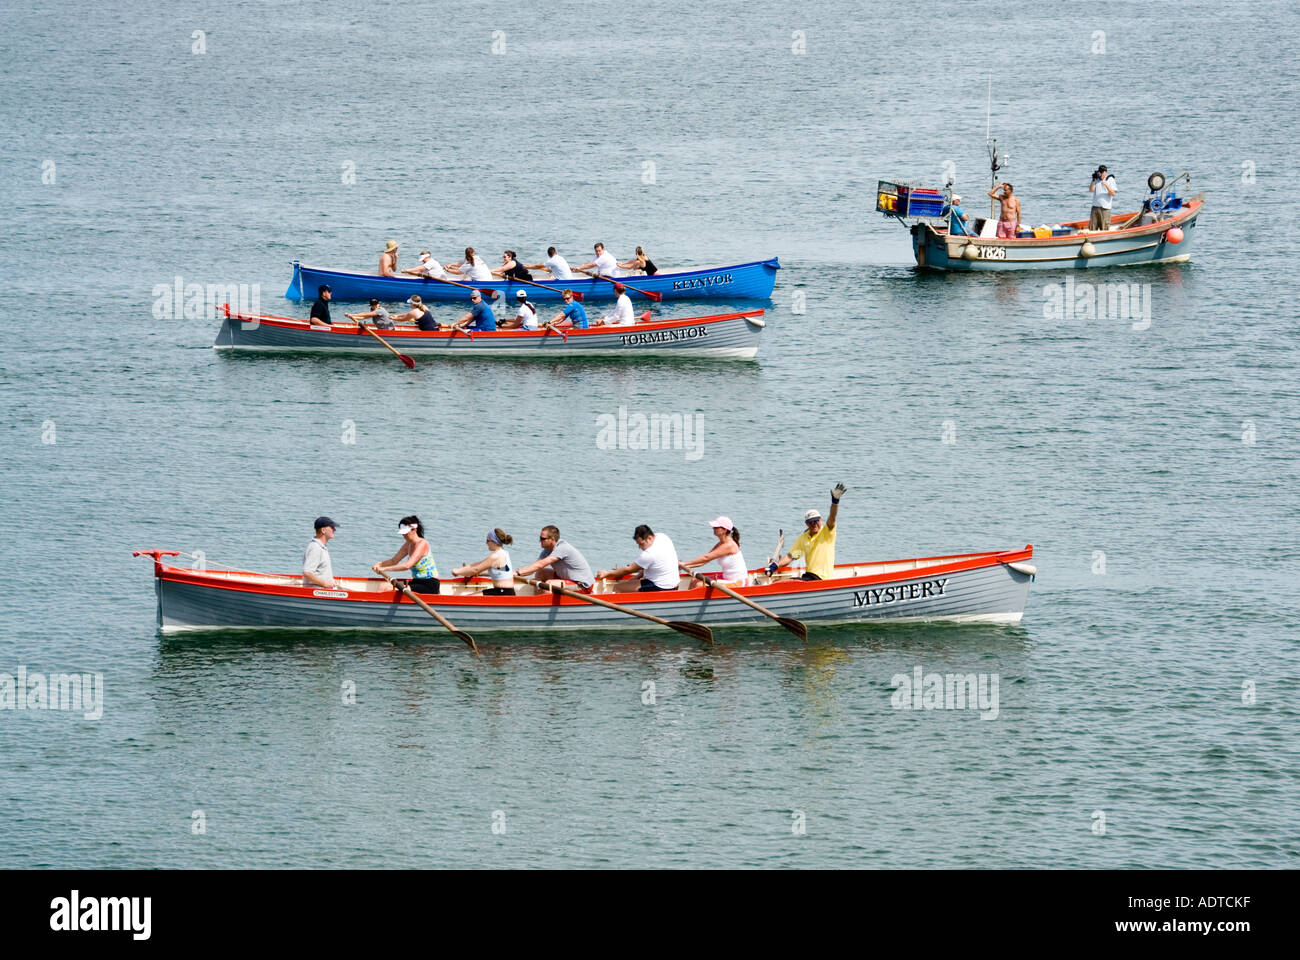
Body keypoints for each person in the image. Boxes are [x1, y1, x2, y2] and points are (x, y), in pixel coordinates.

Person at [767, 484, 846, 581]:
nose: (814, 524)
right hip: (809, 576)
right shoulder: (804, 538)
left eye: (816, 521)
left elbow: (832, 517)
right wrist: (775, 565)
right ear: (806, 524)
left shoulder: (827, 532)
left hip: (822, 579)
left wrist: (835, 502)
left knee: (788, 583)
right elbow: (791, 556)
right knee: (783, 582)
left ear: (820, 520)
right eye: (810, 522)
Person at [596, 525, 680, 593]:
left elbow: (628, 570)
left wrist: (607, 573)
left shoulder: (649, 554)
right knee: (630, 582)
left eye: (641, 544)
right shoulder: (663, 537)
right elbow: (655, 565)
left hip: (662, 587)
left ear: (649, 538)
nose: (640, 547)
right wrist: (636, 578)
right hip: (674, 584)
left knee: (617, 587)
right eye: (638, 544)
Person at [373, 515, 440, 594]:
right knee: (383, 586)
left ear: (414, 530)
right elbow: (394, 560)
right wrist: (380, 564)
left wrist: (384, 569)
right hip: (416, 581)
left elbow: (407, 566)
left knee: (388, 588)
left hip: (429, 584)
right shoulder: (408, 544)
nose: (404, 535)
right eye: (402, 533)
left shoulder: (422, 544)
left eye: (405, 533)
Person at [516, 525, 595, 590]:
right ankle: (537, 599)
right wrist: (515, 574)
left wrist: (518, 573)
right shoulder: (547, 550)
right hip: (566, 578)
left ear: (552, 539)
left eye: (543, 539)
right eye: (540, 538)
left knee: (549, 584)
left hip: (582, 584)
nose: (540, 541)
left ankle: (544, 606)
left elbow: (540, 564)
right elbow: (536, 566)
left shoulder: (562, 548)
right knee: (541, 572)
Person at [680, 516, 748, 587]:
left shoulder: (729, 545)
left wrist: (685, 564)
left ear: (724, 530)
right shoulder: (720, 543)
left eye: (716, 527)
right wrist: (684, 566)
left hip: (738, 582)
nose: (713, 528)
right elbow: (704, 561)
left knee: (699, 585)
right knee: (694, 580)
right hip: (725, 578)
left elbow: (706, 557)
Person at [452, 529, 517, 596]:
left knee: (467, 599)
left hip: (503, 593)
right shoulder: (504, 553)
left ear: (494, 541)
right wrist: (464, 569)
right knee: (469, 597)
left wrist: (457, 571)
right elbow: (479, 564)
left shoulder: (495, 556)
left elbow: (475, 569)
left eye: (487, 540)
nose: (486, 543)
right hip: (504, 592)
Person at [303, 516, 339, 589]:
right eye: (332, 527)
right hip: (317, 593)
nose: (334, 529)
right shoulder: (315, 548)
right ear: (323, 530)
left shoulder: (321, 547)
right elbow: (307, 573)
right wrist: (324, 583)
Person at [1088, 164, 1117, 230]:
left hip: (1105, 209)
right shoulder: (1096, 179)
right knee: (1092, 228)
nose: (1100, 174)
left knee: (1104, 228)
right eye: (1099, 172)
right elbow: (1091, 190)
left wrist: (1106, 185)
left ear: (1105, 172)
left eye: (1102, 172)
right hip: (1095, 208)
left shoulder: (1110, 179)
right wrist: (1093, 180)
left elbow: (1113, 194)